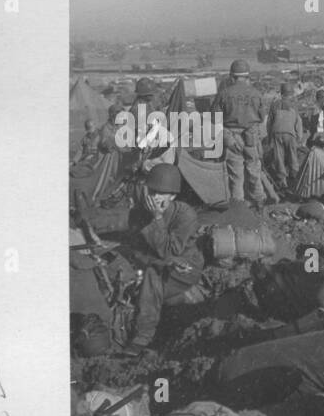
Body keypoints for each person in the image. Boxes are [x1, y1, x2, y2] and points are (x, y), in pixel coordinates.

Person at [126, 163, 205, 353]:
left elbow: (169, 251)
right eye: (152, 191)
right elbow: (135, 247)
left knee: (153, 276)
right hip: (156, 261)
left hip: (185, 266)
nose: (154, 197)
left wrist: (157, 219)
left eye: (161, 193)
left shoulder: (186, 215)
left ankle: (143, 336)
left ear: (173, 196)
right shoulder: (139, 212)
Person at [211, 60, 267, 205]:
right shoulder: (256, 93)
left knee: (236, 174)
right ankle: (259, 200)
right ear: (247, 76)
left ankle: (238, 205)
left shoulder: (224, 94)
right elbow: (261, 117)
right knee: (254, 170)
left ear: (232, 76)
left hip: (231, 138)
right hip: (252, 137)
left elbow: (215, 119)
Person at [265, 83, 305, 193]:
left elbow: (269, 123)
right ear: (291, 93)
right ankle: (294, 179)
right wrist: (299, 138)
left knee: (279, 158)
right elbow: (299, 123)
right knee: (293, 156)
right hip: (290, 134)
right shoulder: (294, 105)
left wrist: (269, 138)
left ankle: (282, 182)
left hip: (276, 133)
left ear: (281, 93)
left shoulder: (274, 104)